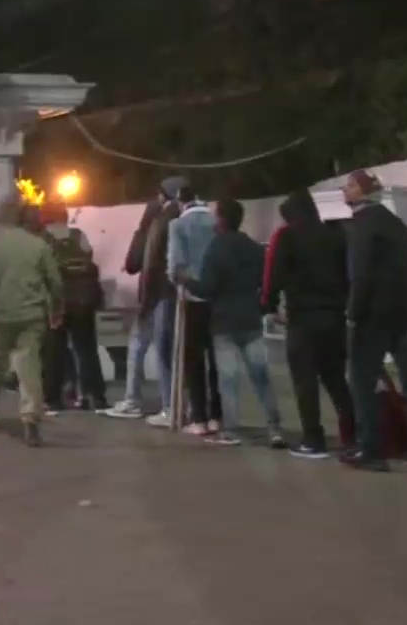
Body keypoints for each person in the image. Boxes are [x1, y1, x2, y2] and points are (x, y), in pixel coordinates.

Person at [342, 169, 407, 472]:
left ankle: (370, 448)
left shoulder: (361, 225)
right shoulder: (397, 225)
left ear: (363, 192)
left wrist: (354, 312)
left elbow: (360, 274)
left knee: (362, 381)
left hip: (371, 315)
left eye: (350, 185)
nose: (345, 190)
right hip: (400, 313)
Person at [264, 188, 356, 459]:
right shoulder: (336, 235)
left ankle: (314, 440)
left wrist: (269, 306)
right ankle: (354, 435)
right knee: (336, 380)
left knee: (305, 381)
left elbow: (274, 274)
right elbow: (349, 275)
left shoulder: (287, 236)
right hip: (334, 318)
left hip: (303, 318)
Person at [0, 198, 64, 445]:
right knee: (28, 364)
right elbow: (55, 281)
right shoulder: (37, 244)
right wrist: (57, 309)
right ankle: (31, 418)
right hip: (31, 315)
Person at [192, 200, 287, 448]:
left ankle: (232, 430)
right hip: (250, 319)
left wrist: (185, 280)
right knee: (261, 377)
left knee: (228, 380)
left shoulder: (216, 248)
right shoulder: (254, 248)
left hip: (224, 322)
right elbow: (265, 281)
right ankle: (274, 428)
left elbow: (206, 288)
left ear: (222, 219)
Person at [104, 196, 175, 421]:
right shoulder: (179, 224)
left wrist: (140, 232)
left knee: (138, 346)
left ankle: (134, 400)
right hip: (177, 297)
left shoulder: (150, 230)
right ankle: (173, 404)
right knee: (168, 352)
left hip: (153, 297)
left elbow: (132, 264)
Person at [164, 180, 224, 436]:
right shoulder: (217, 222)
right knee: (217, 361)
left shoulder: (178, 225)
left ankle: (199, 418)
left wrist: (181, 280)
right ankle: (217, 416)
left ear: (180, 202)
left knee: (193, 360)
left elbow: (174, 266)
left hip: (191, 299)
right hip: (218, 299)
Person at [41, 204, 108, 412]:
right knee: (86, 349)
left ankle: (53, 399)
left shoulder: (43, 239)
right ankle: (94, 396)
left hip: (57, 301)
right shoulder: (79, 235)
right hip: (83, 301)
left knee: (54, 351)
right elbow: (89, 258)